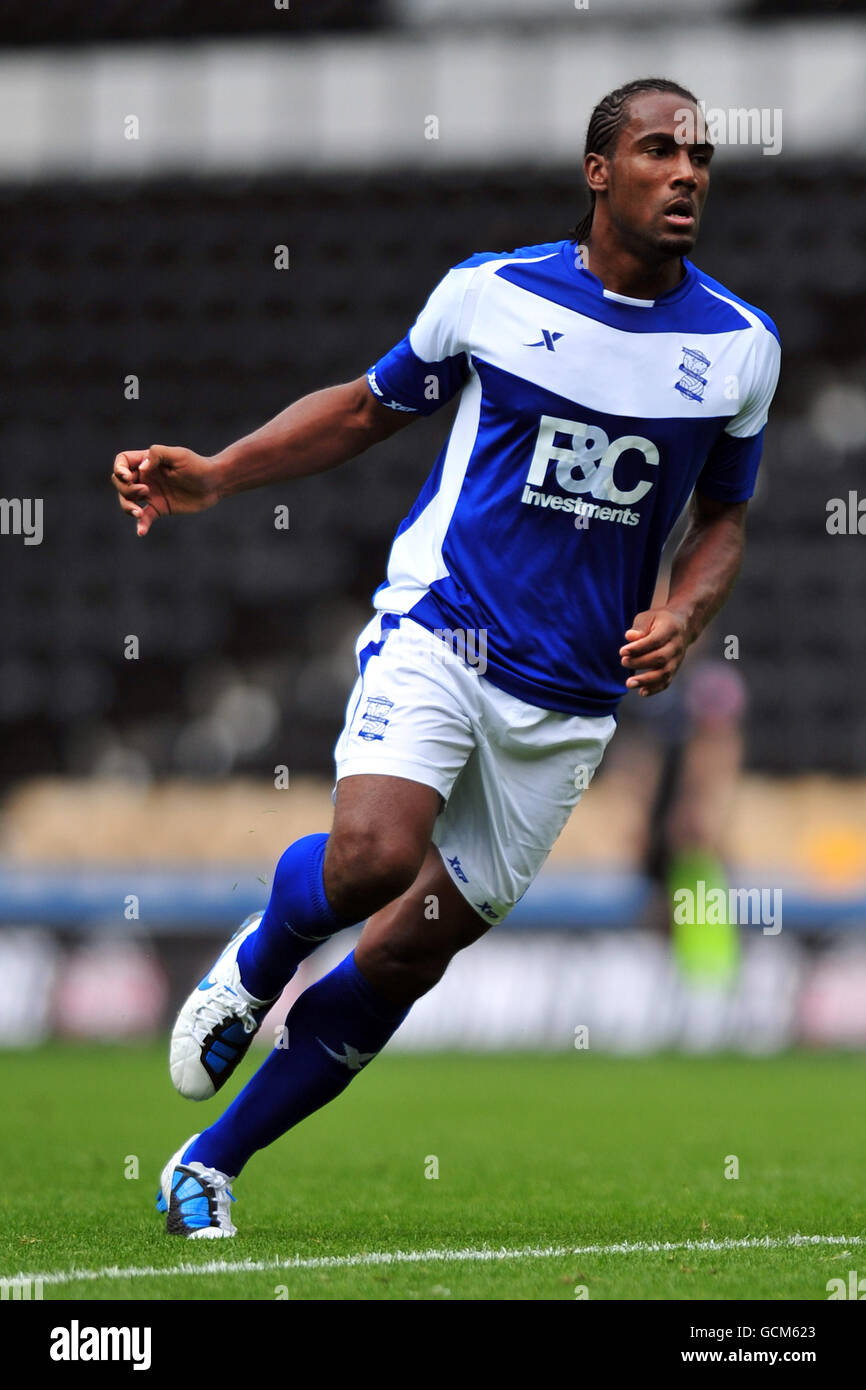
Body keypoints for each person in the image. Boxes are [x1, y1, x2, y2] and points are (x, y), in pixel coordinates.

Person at [111, 76, 781, 1237]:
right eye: (661, 151)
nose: (686, 174)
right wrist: (220, 474)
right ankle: (259, 960)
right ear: (597, 170)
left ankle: (207, 1166)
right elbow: (368, 409)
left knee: (410, 953)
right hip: (445, 628)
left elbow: (724, 515)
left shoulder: (737, 349)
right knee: (372, 857)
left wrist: (686, 609)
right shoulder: (491, 293)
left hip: (570, 701)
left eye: (702, 157)